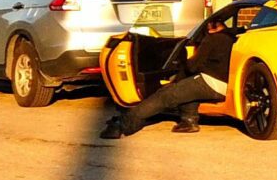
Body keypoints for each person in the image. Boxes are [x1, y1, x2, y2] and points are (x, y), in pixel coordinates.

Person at [101, 18, 236, 138]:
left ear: (210, 27)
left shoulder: (213, 39)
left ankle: (123, 124)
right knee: (186, 88)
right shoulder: (232, 39)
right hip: (225, 86)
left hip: (210, 82)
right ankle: (188, 120)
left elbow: (193, 67)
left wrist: (185, 63)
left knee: (166, 95)